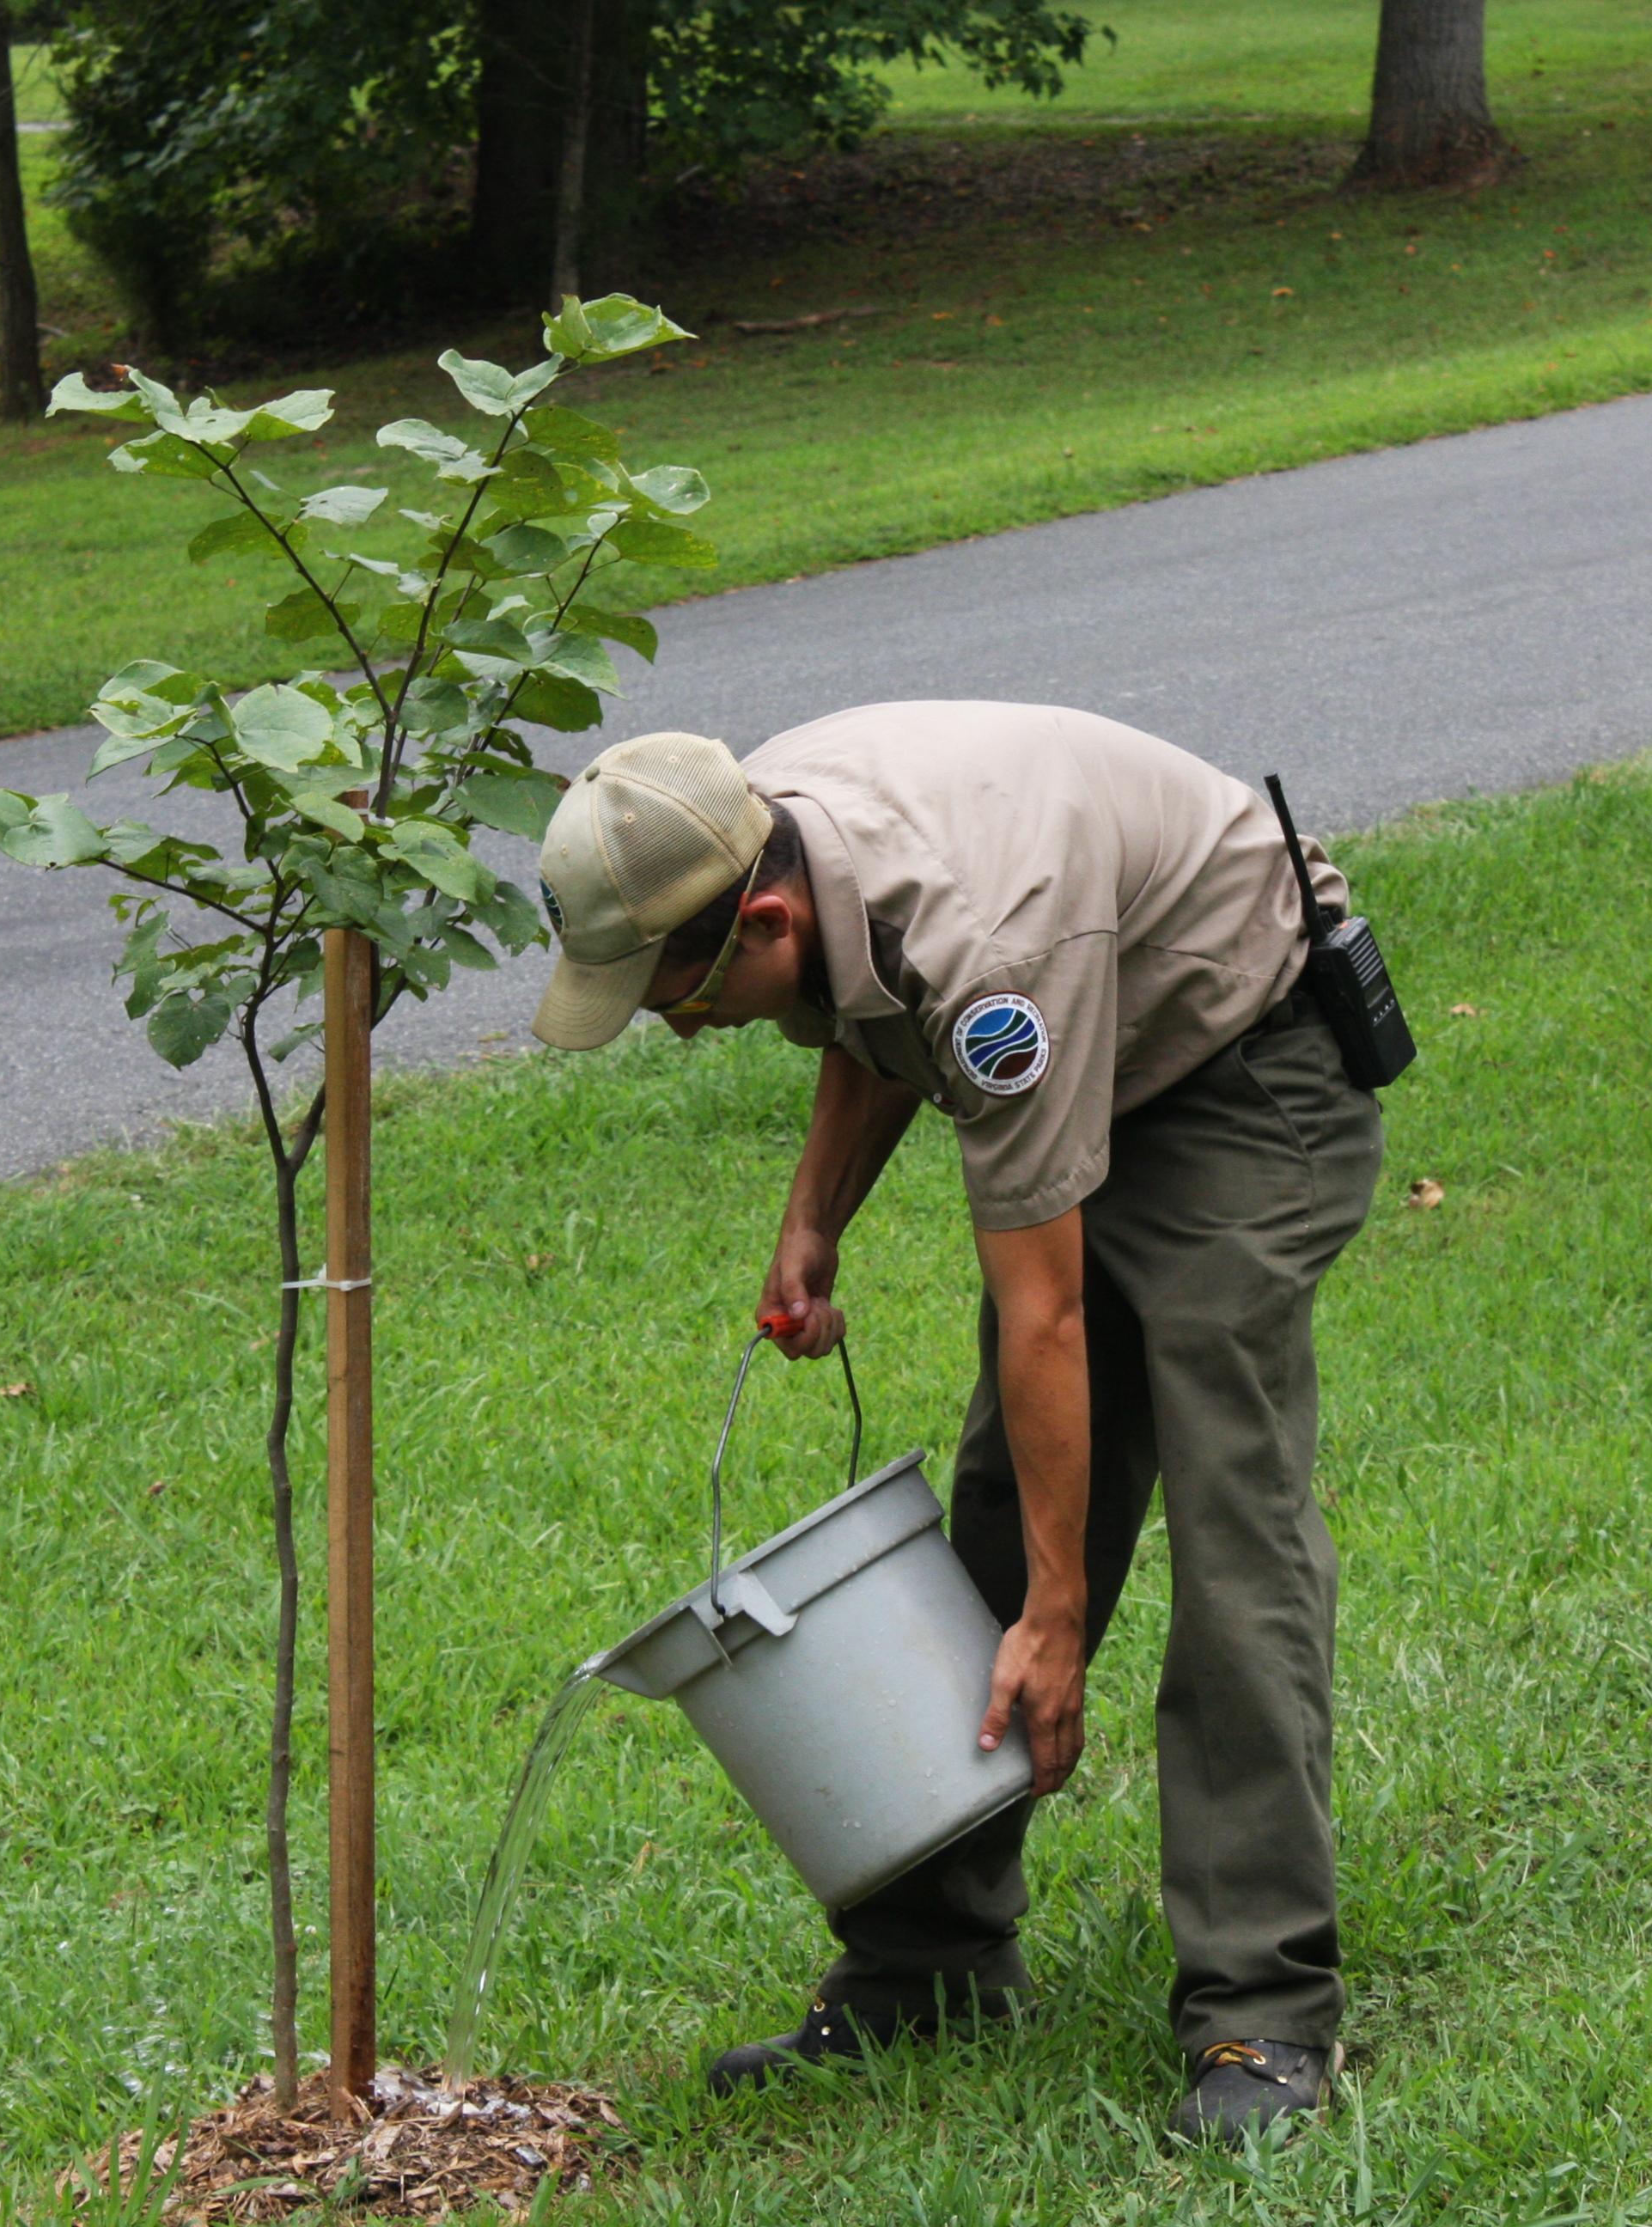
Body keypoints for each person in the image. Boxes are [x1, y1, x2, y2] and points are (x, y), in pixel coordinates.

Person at [527, 703, 1387, 2140]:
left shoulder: (996, 951)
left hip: (1246, 1075)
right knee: (1002, 1506)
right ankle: (930, 1966)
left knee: (1232, 1529)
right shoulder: (754, 820)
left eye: (680, 1000)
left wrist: (1057, 1626)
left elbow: (1048, 1309)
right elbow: (874, 1009)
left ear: (765, 921)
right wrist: (816, 1221)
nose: (677, 1034)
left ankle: (1262, 2016)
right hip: (1099, 1049)